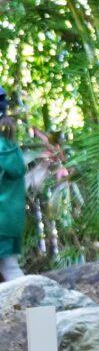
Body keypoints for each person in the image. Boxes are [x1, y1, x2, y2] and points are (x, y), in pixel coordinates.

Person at [0, 87, 26, 282]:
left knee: (10, 270)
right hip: (10, 221)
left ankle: (33, 309)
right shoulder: (10, 147)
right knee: (11, 268)